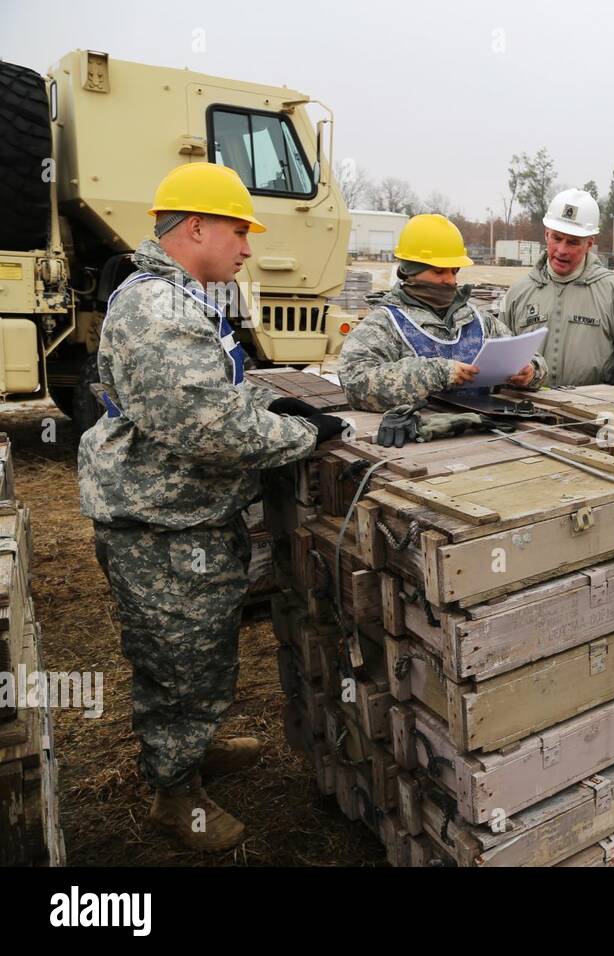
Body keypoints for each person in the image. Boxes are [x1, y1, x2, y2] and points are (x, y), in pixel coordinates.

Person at [79, 162, 349, 852]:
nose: (248, 248)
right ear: (194, 227)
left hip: (185, 518)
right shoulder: (158, 309)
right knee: (174, 660)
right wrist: (300, 432)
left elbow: (216, 394)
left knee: (200, 651)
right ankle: (174, 791)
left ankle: (192, 747)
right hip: (160, 526)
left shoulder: (179, 299)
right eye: (238, 231)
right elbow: (209, 428)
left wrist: (268, 400)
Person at [338, 214, 543, 412]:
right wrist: (436, 373)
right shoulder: (383, 324)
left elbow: (530, 356)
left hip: (483, 435)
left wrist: (530, 371)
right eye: (439, 271)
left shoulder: (478, 321)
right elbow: (356, 382)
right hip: (418, 440)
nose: (450, 281)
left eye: (454, 271)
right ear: (410, 271)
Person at [499, 188, 614, 386]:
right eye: (557, 238)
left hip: (590, 411)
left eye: (573, 242)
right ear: (546, 235)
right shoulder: (519, 292)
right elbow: (500, 349)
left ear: (589, 244)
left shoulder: (613, 291)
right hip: (527, 410)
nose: (562, 250)